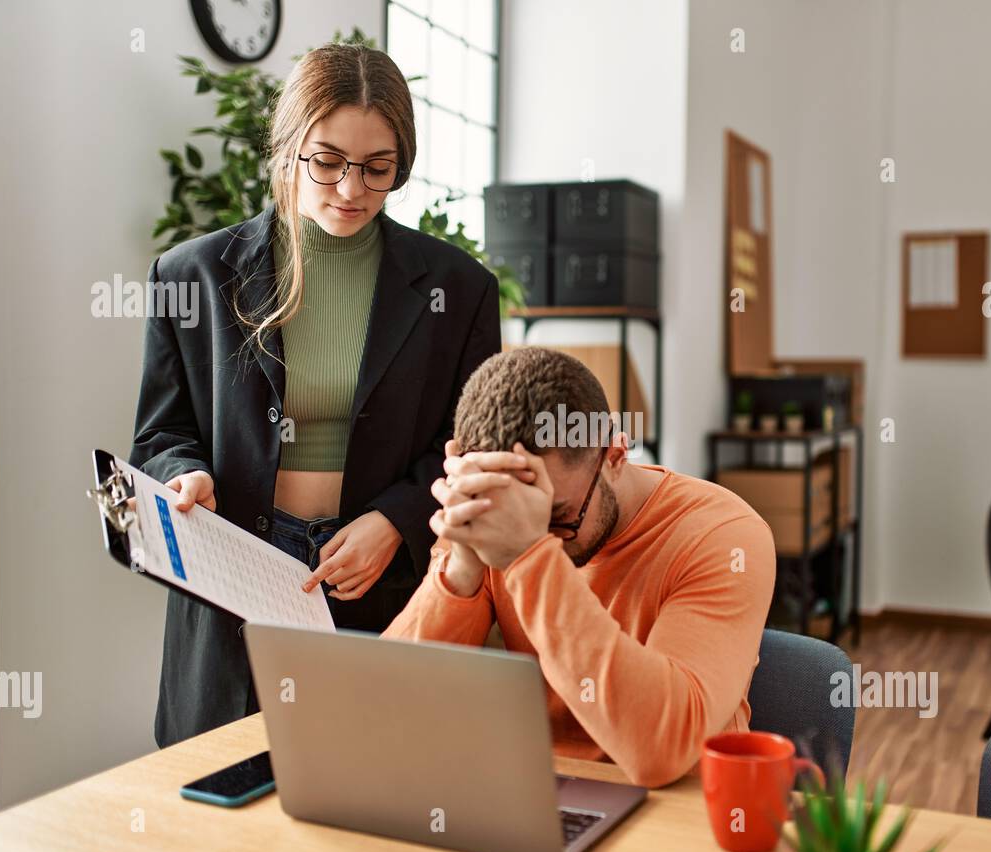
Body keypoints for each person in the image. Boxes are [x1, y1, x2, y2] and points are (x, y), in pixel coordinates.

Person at [130, 43, 500, 747]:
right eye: (327, 161)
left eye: (377, 168)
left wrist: (396, 519)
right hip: (231, 581)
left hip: (378, 583)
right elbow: (158, 437)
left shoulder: (461, 288)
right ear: (290, 147)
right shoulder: (193, 274)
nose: (351, 189)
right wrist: (186, 476)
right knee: (221, 823)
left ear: (402, 164)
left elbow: (472, 450)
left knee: (368, 800)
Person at [382, 348, 776, 787]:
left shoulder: (723, 535)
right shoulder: (491, 518)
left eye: (558, 517)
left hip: (682, 810)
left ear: (614, 452)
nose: (535, 532)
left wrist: (529, 554)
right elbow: (389, 707)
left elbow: (661, 751)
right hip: (545, 793)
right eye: (517, 518)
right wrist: (462, 560)